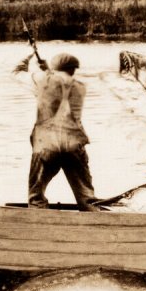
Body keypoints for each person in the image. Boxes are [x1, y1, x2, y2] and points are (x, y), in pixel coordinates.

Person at [25, 53, 99, 212]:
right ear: (73, 70)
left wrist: (35, 62)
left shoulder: (43, 82)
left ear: (55, 68)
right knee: (86, 196)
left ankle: (39, 223)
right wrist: (49, 71)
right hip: (74, 145)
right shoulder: (80, 87)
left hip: (46, 145)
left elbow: (22, 74)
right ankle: (96, 222)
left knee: (36, 194)